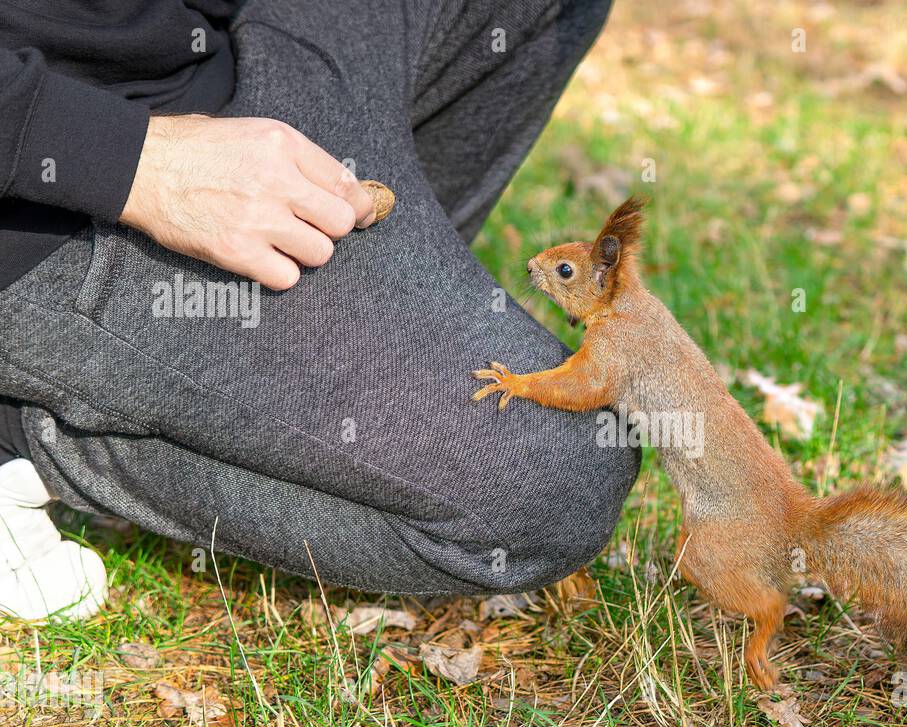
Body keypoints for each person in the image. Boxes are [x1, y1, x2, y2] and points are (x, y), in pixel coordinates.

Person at [0, 0, 639, 620]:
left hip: (226, 48)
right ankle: (19, 432)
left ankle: (373, 333)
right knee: (561, 471)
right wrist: (136, 162)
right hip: (63, 205)